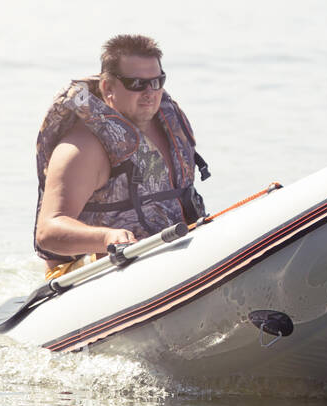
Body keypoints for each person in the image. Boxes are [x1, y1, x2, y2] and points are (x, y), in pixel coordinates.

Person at [32, 34, 209, 279]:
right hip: (99, 277)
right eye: (136, 84)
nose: (150, 92)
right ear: (108, 88)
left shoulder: (169, 124)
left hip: (172, 256)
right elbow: (48, 231)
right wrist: (107, 237)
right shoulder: (82, 149)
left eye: (157, 82)